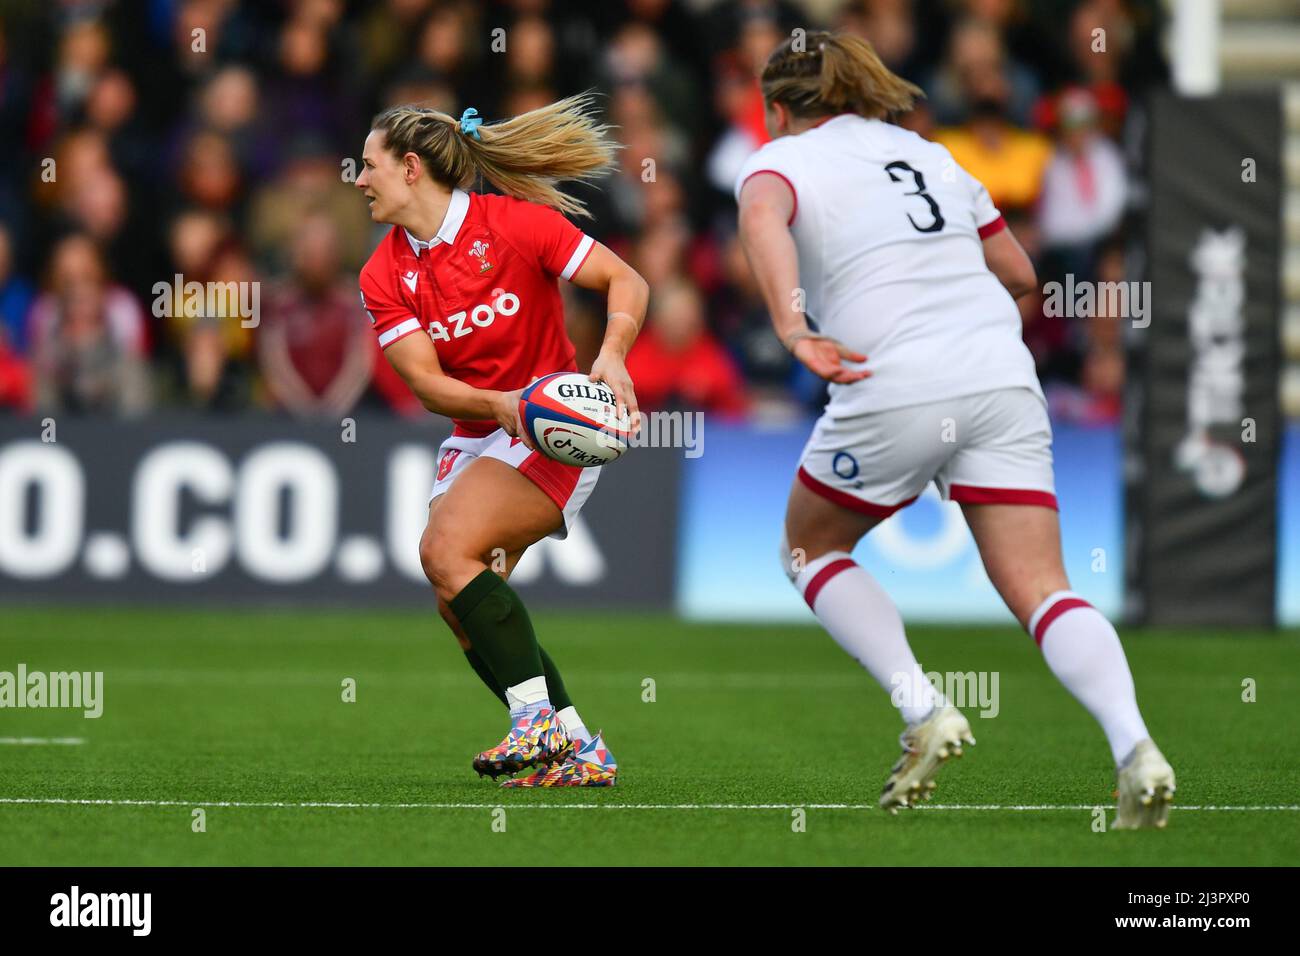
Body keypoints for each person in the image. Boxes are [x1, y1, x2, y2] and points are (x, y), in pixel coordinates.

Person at [735, 31, 1174, 828]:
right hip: (1001, 374)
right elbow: (1020, 277)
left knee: (809, 549)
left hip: (892, 378)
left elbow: (764, 220)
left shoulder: (779, 165)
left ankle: (924, 707)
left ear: (775, 110)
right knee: (1045, 590)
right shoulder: (932, 155)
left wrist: (796, 329)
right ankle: (1135, 745)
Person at [355, 95, 648, 788]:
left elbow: (623, 279)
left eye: (368, 166)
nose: (359, 180)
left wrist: (613, 353)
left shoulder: (515, 226)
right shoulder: (381, 275)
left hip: (555, 425)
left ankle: (533, 721)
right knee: (454, 599)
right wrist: (497, 404)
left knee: (443, 549)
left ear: (411, 167)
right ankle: (576, 747)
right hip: (486, 426)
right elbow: (427, 385)